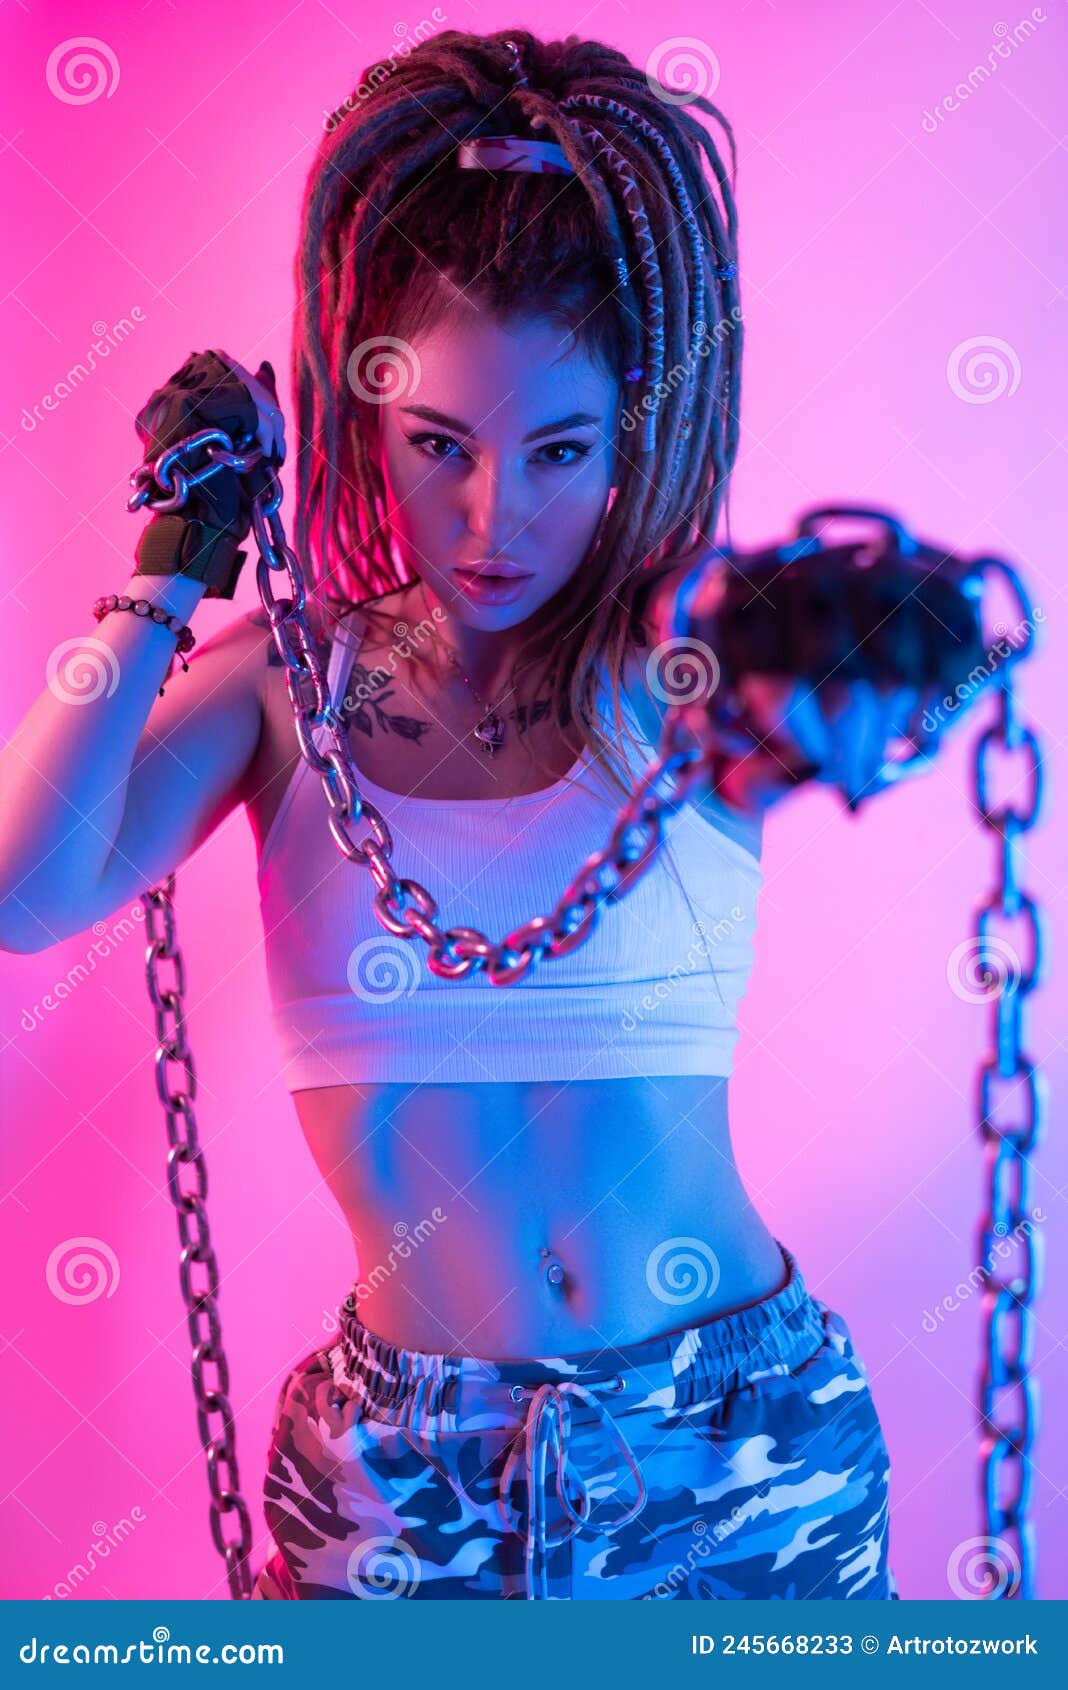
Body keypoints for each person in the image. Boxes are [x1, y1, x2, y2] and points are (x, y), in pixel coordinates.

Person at [0, 29, 912, 1600]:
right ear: (364, 423)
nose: (497, 519)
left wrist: (890, 639)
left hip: (736, 1449)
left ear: (636, 438)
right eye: (442, 446)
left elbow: (840, 697)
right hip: (400, 1479)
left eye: (560, 450)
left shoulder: (681, 668)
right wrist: (173, 554)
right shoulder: (287, 690)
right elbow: (28, 889)